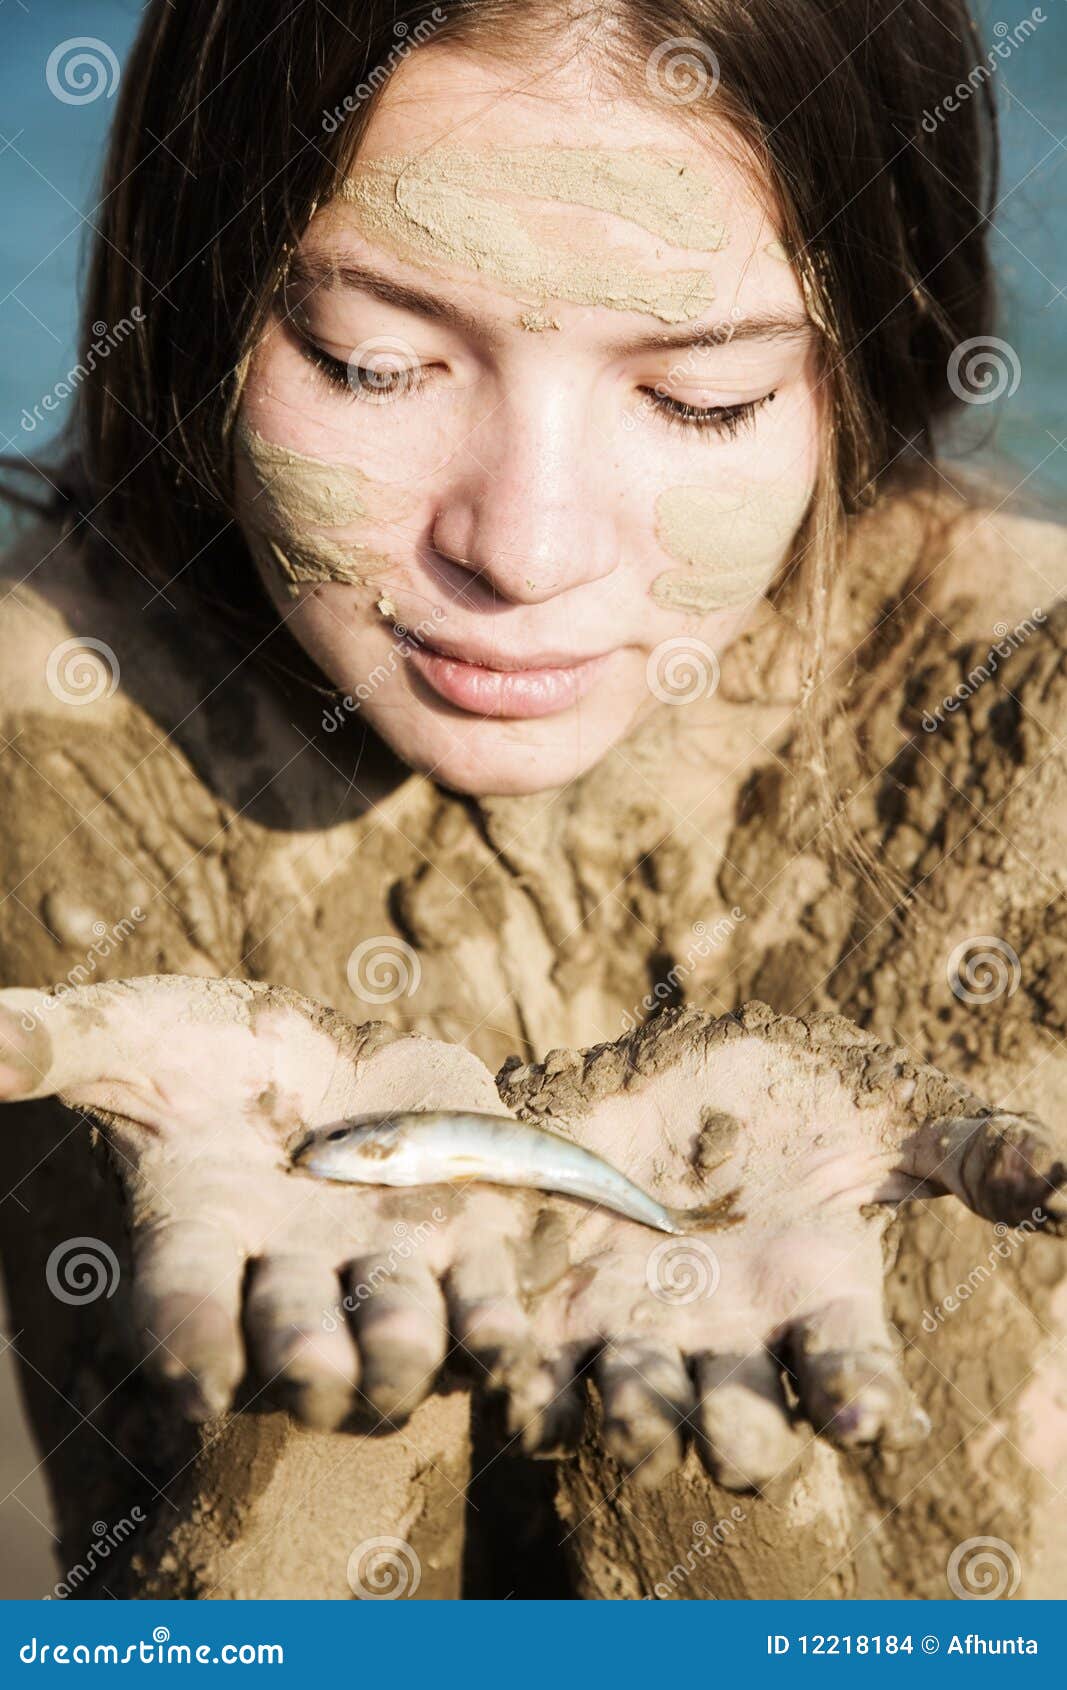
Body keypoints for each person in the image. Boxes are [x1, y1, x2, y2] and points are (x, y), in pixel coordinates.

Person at [1, 0, 1065, 1601]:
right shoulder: (67, 718)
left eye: (701, 396)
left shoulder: (1024, 741)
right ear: (200, 297)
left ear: (866, 359)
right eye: (375, 360)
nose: (525, 546)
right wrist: (336, 1420)